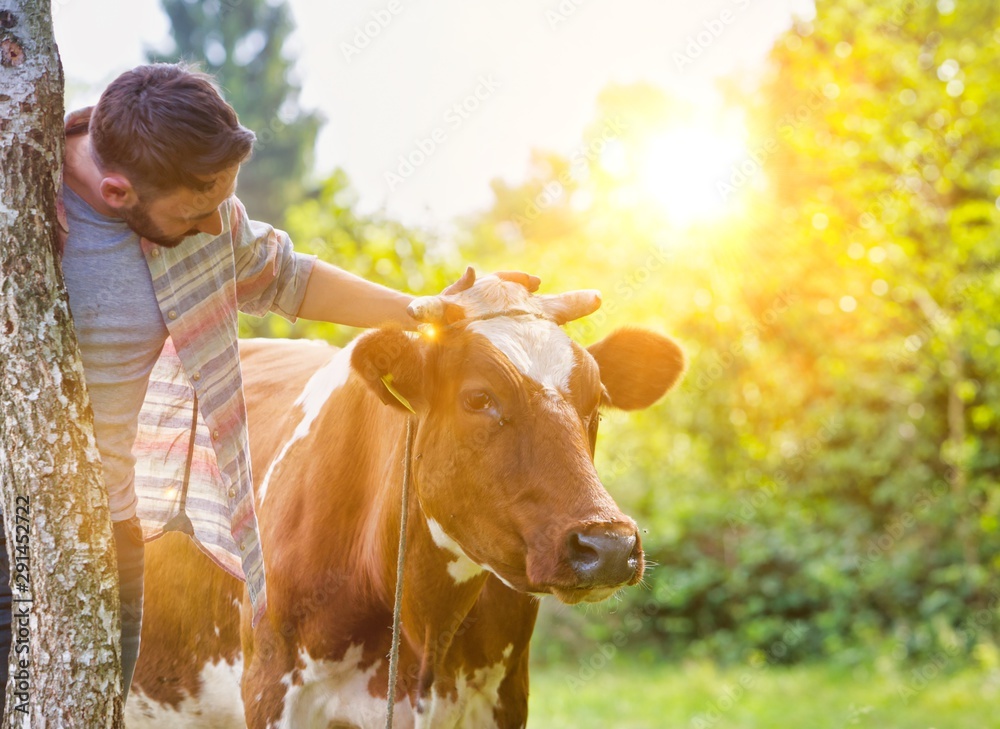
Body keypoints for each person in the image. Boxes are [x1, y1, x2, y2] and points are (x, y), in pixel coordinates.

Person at [0, 62, 536, 708]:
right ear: (117, 193)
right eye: (199, 213)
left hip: (111, 532)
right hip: (15, 527)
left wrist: (414, 310)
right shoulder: (19, 205)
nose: (214, 227)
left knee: (85, 712)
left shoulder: (201, 218)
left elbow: (286, 275)